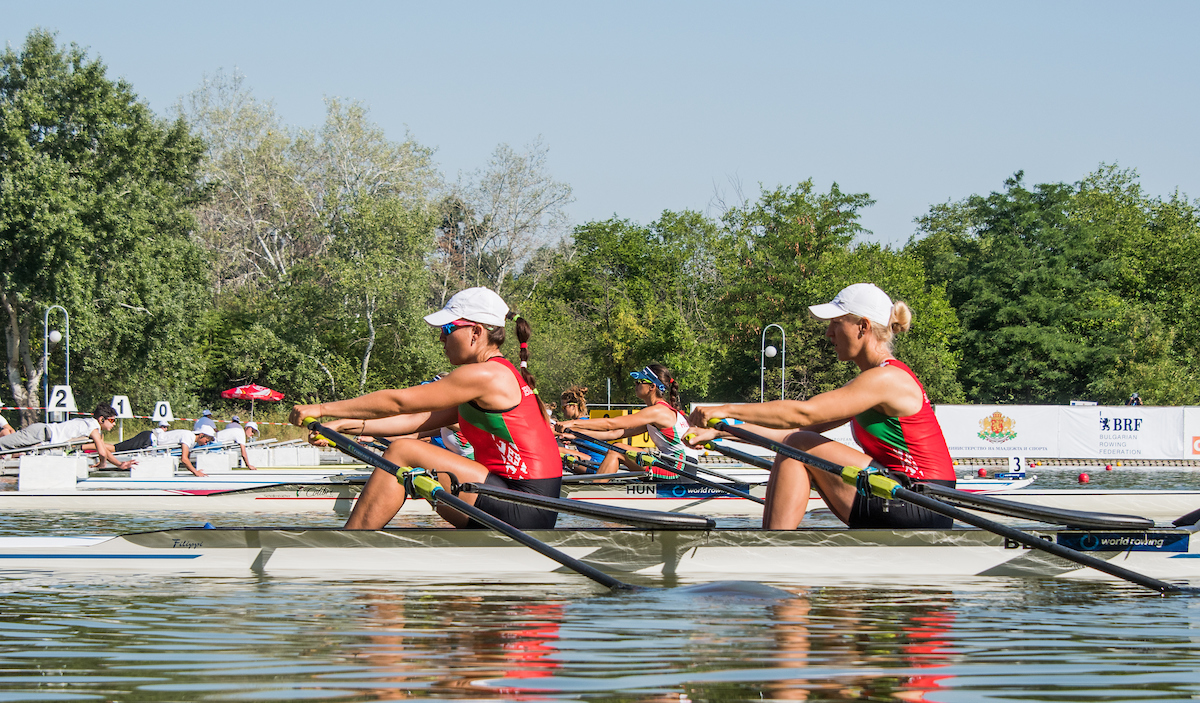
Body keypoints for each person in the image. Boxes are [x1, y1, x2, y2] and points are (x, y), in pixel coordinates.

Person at [289, 286, 562, 530]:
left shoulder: (487, 375)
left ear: (476, 332)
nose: (441, 340)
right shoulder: (494, 376)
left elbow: (399, 402)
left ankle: (351, 541)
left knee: (402, 451)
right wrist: (339, 426)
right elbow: (417, 419)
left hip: (523, 504)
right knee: (404, 448)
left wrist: (323, 408)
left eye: (446, 330)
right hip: (516, 499)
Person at [687, 283, 956, 529]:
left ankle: (772, 548)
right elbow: (791, 434)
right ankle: (774, 542)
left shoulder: (887, 379)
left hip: (922, 500)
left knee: (799, 444)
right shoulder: (870, 383)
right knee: (796, 444)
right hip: (899, 494)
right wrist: (722, 430)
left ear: (863, 326)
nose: (828, 333)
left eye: (836, 323)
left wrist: (727, 409)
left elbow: (804, 413)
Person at [557, 364, 696, 478]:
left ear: (652, 387)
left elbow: (611, 424)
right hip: (679, 467)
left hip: (679, 469)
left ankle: (597, 492)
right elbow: (614, 433)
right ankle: (600, 486)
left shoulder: (658, 411)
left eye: (639, 382)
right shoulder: (658, 412)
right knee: (617, 446)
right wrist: (576, 435)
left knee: (617, 450)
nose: (635, 385)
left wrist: (572, 423)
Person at [0, 403, 135, 470]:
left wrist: (120, 464)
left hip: (43, 438)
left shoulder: (95, 429)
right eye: (111, 420)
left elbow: (104, 451)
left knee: (7, 450)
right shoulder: (93, 427)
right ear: (101, 419)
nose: (114, 424)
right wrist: (103, 464)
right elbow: (101, 452)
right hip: (40, 433)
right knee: (3, 444)